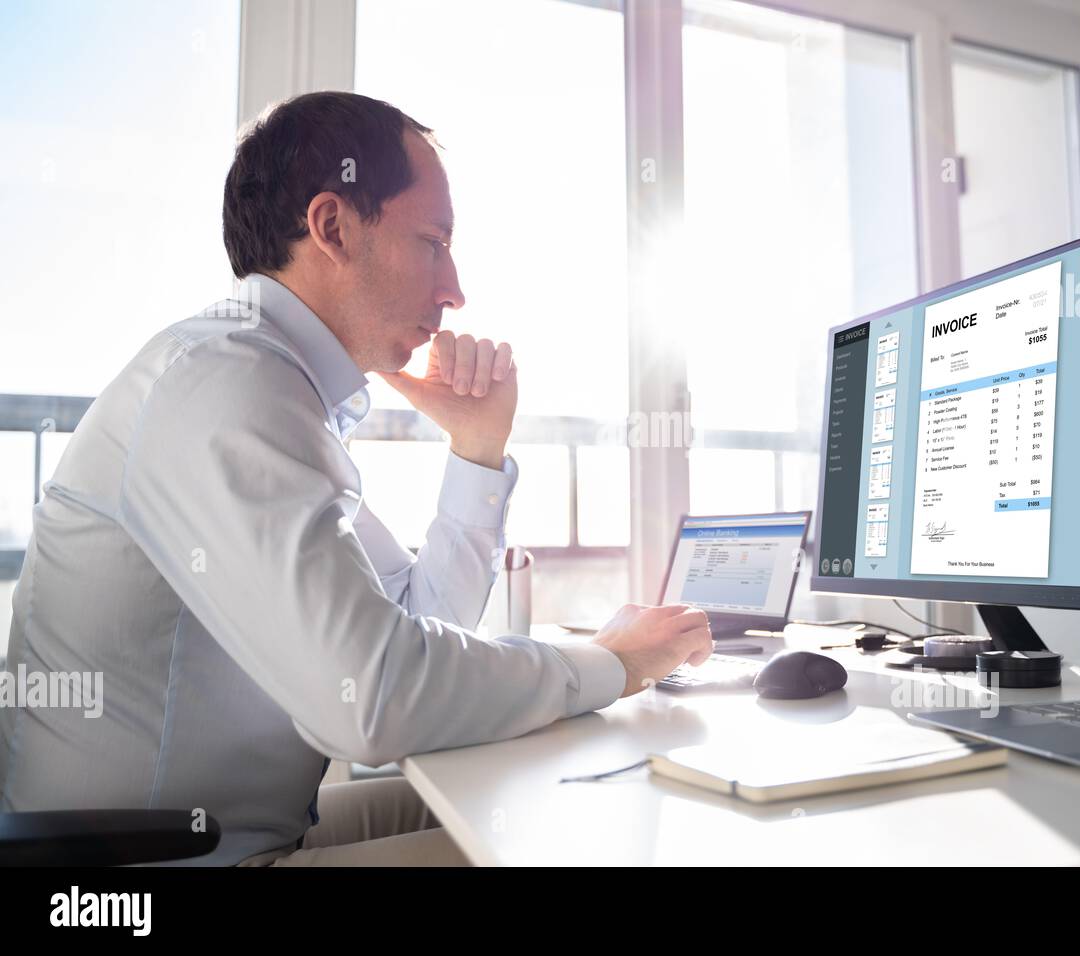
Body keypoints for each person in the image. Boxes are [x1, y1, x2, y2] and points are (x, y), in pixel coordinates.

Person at [0, 91, 713, 866]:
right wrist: (610, 665)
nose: (455, 289)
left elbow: (417, 616)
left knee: (582, 784)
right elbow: (373, 696)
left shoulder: (268, 386)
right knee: (580, 841)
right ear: (332, 227)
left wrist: (476, 448)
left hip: (222, 836)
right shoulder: (228, 386)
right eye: (433, 242)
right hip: (136, 878)